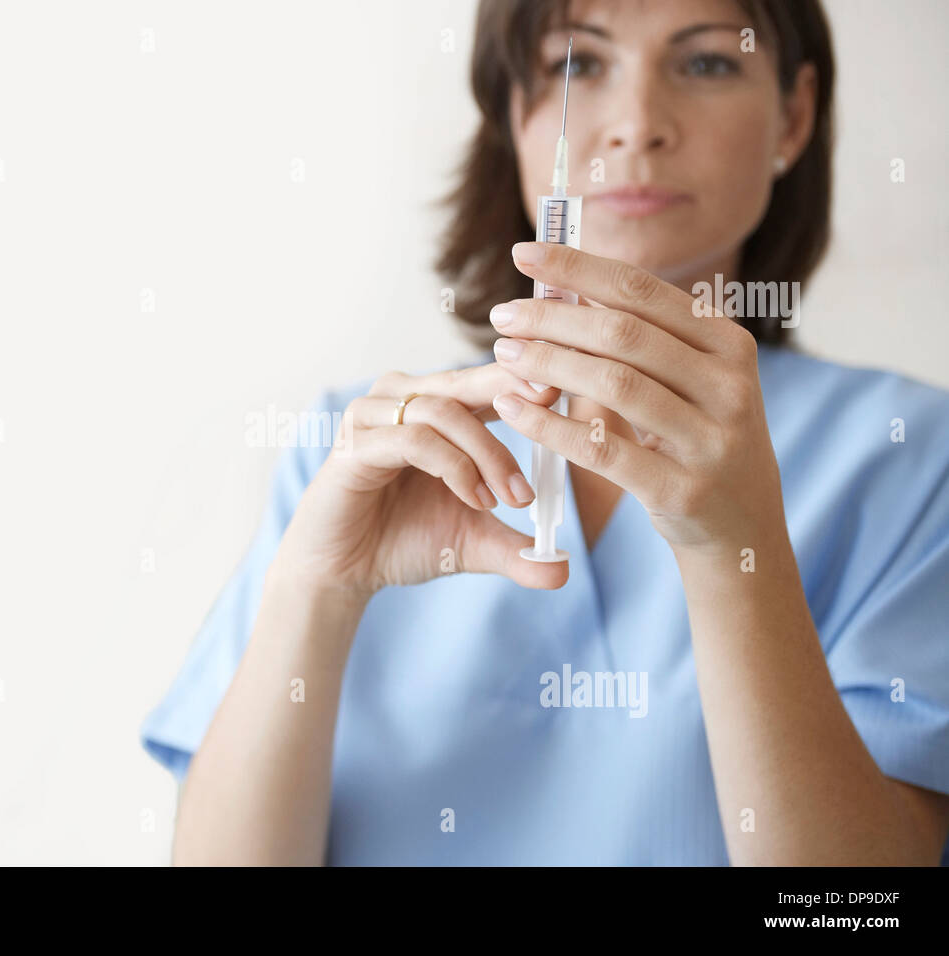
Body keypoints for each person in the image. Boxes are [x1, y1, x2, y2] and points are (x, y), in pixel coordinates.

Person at [140, 0, 949, 865]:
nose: (638, 125)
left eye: (707, 62)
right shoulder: (359, 451)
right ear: (512, 115)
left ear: (793, 115)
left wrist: (734, 554)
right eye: (581, 62)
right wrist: (319, 591)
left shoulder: (908, 455)